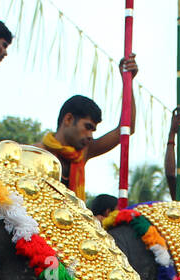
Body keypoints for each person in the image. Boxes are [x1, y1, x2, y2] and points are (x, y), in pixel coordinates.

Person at [40, 55, 138, 201]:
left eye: (93, 130)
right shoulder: (38, 152)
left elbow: (126, 128)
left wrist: (128, 81)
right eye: (88, 127)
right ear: (68, 119)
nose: (90, 136)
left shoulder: (83, 153)